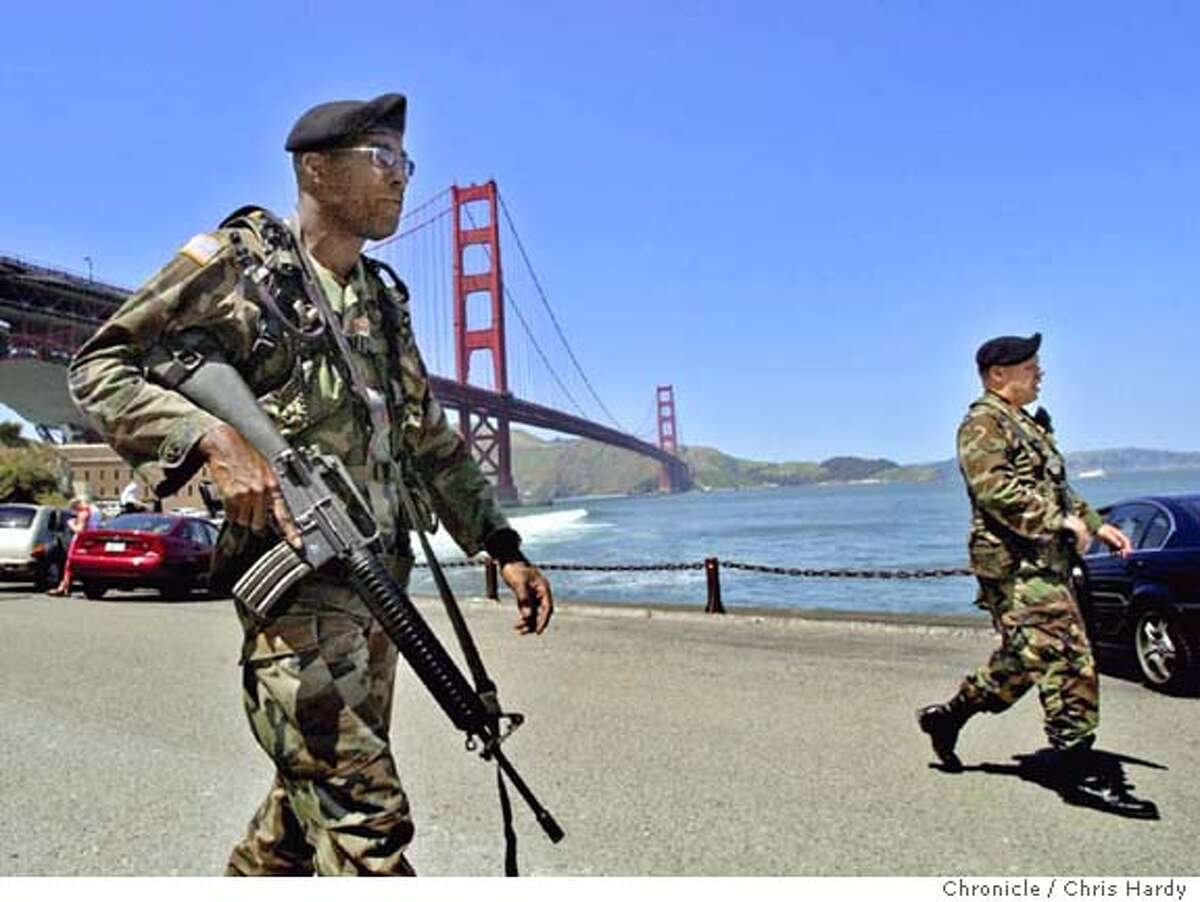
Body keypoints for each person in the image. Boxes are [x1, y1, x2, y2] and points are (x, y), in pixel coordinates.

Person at [69, 92, 554, 875]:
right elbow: (99, 365)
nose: (402, 180)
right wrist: (207, 438)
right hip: (298, 603)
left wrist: (500, 543)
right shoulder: (235, 266)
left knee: (297, 826)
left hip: (377, 593)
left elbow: (427, 437)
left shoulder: (383, 301)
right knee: (369, 827)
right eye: (384, 160)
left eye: (407, 163)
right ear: (318, 170)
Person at [916, 333, 1154, 816]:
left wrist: (1093, 523)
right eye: (1029, 367)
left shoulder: (1027, 424)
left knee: (1024, 660)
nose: (1039, 373)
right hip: (1015, 567)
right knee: (1067, 656)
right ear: (998, 375)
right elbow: (996, 492)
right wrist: (1057, 522)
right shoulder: (982, 424)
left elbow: (1058, 489)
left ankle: (949, 717)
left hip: (1045, 562)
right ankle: (1077, 769)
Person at [47, 496, 100, 597]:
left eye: (75, 508)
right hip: (91, 539)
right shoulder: (95, 511)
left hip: (79, 540)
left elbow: (79, 530)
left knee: (69, 564)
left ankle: (63, 588)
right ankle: (65, 587)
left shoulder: (84, 513)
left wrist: (70, 524)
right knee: (73, 565)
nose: (75, 511)